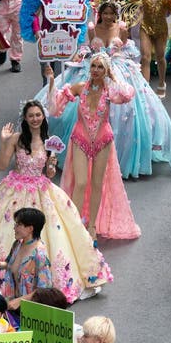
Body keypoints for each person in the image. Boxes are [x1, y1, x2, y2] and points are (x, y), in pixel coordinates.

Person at [0, 102, 111, 303]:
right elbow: (1, 165)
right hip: (15, 190)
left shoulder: (49, 142)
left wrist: (51, 167)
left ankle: (43, 287)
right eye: (31, 115)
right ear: (25, 118)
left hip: (41, 191)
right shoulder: (16, 139)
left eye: (38, 115)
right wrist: (4, 142)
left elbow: (49, 174)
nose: (35, 119)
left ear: (43, 117)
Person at [35, 1, 171, 179]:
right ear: (100, 14)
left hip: (116, 69)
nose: (108, 17)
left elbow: (128, 49)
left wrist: (116, 67)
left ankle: (115, 157)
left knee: (127, 111)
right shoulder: (93, 29)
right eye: (105, 13)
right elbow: (88, 47)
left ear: (116, 15)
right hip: (95, 67)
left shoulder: (122, 29)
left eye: (111, 13)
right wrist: (81, 55)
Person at [47, 53, 140, 240]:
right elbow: (55, 108)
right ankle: (74, 224)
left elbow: (128, 94)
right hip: (80, 138)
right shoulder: (80, 87)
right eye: (94, 66)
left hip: (103, 140)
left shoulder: (110, 91)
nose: (96, 70)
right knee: (80, 182)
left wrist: (113, 77)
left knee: (97, 184)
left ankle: (91, 226)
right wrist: (50, 83)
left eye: (100, 67)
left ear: (106, 70)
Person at [130, 0, 171, 95]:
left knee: (160, 58)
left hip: (161, 27)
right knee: (145, 58)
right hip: (145, 26)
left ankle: (162, 83)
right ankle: (146, 90)